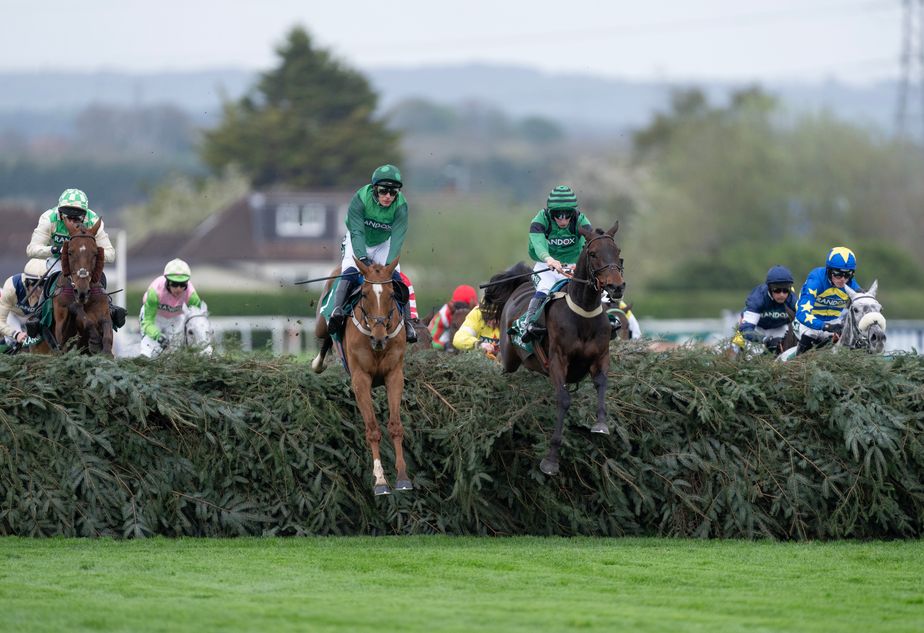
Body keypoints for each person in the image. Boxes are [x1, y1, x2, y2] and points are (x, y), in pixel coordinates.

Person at [327, 164, 416, 342]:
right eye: (383, 191)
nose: (388, 196)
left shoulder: (401, 206)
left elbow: (397, 238)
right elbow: (357, 232)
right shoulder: (360, 198)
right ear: (375, 188)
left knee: (396, 278)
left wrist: (388, 267)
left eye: (393, 192)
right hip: (358, 240)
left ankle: (408, 323)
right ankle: (337, 312)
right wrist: (362, 258)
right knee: (350, 272)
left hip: (384, 243)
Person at [25, 188, 125, 328]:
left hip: (83, 261)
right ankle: (39, 313)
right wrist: (56, 250)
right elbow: (31, 249)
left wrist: (88, 253)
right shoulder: (48, 218)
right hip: (59, 260)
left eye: (76, 217)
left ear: (84, 215)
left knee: (99, 277)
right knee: (53, 280)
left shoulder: (93, 220)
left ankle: (109, 307)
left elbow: (110, 254)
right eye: (68, 216)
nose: (72, 221)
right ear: (60, 212)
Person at [521, 185, 593, 342]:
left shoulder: (581, 221)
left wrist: (580, 263)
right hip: (546, 266)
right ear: (550, 213)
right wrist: (549, 259)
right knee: (544, 288)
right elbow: (538, 244)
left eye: (567, 216)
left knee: (596, 288)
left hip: (572, 267)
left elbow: (588, 245)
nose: (563, 220)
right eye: (558, 216)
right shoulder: (539, 220)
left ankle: (607, 319)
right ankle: (530, 323)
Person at [795, 247, 863, 355]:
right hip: (806, 323)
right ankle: (796, 366)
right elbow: (802, 313)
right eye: (838, 274)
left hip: (833, 322)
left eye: (847, 275)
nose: (842, 279)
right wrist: (826, 326)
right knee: (811, 335)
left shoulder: (851, 284)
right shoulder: (815, 280)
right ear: (829, 271)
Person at [139, 259, 206, 358]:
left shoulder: (191, 294)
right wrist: (158, 336)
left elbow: (199, 318)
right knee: (148, 350)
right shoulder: (155, 292)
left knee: (174, 354)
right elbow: (147, 322)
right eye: (174, 284)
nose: (179, 288)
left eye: (183, 284)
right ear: (167, 281)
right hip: (155, 318)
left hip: (176, 319)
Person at [731, 265, 797, 355]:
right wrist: (765, 339)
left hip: (778, 329)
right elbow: (746, 330)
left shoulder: (792, 299)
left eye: (785, 290)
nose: (782, 294)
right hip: (756, 329)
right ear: (769, 288)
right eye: (777, 290)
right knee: (752, 355)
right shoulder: (758, 298)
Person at [0, 259, 47, 348]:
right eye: (40, 286)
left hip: (34, 316)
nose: (42, 292)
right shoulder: (11, 288)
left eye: (45, 285)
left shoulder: (47, 290)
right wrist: (16, 334)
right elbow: (0, 321)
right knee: (15, 341)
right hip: (13, 316)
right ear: (28, 283)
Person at [429, 284, 478, 350]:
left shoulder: (479, 313)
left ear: (473, 305)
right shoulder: (443, 314)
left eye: (464, 306)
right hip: (450, 339)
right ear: (452, 304)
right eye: (458, 306)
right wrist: (444, 345)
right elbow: (431, 341)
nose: (460, 311)